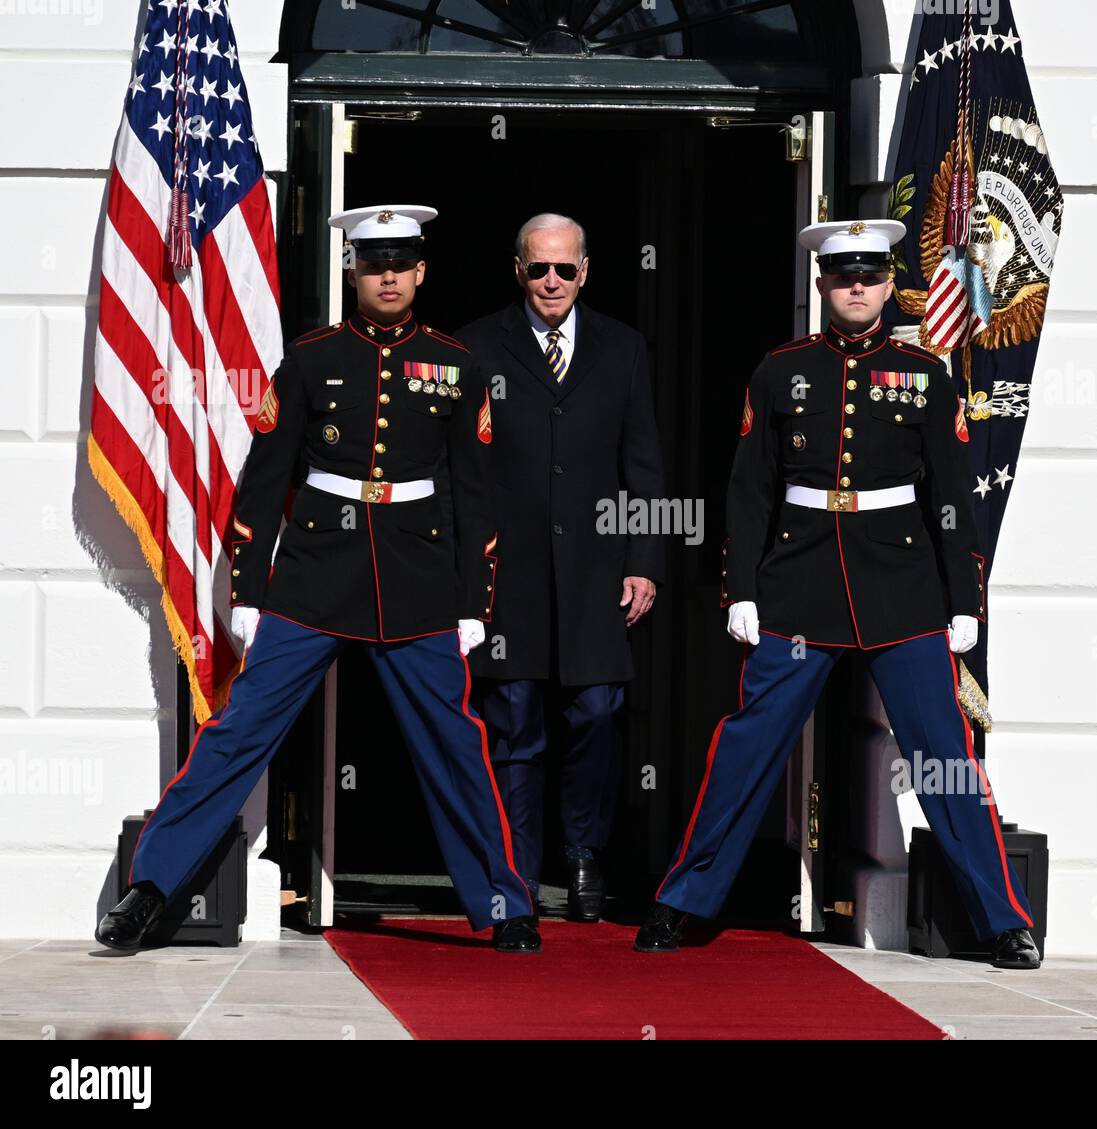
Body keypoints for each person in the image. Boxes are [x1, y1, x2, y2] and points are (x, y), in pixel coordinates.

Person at [95, 205, 538, 954]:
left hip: (417, 579)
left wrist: (473, 601)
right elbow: (264, 484)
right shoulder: (308, 359)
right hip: (313, 577)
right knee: (237, 732)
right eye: (373, 263)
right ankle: (151, 887)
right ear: (352, 271)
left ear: (421, 271)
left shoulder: (456, 365)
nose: (388, 275)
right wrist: (248, 590)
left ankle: (502, 901)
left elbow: (475, 493)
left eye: (400, 262)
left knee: (455, 746)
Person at [634, 219, 1041, 970]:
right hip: (800, 580)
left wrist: (963, 601)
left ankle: (999, 917)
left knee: (945, 754)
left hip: (904, 587)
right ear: (822, 285)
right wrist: (742, 590)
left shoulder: (924, 373)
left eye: (870, 275)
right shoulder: (779, 369)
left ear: (890, 284)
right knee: (749, 744)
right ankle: (683, 900)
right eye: (843, 276)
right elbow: (751, 491)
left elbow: (952, 498)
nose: (857, 287)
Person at [455, 214, 666, 933]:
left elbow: (643, 463)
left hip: (596, 571)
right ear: (518, 270)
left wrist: (644, 561)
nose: (552, 282)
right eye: (539, 269)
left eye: (565, 270)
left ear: (586, 272)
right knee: (513, 722)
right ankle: (514, 870)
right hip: (505, 574)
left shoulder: (623, 348)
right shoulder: (477, 344)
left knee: (598, 713)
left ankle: (583, 856)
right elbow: (461, 469)